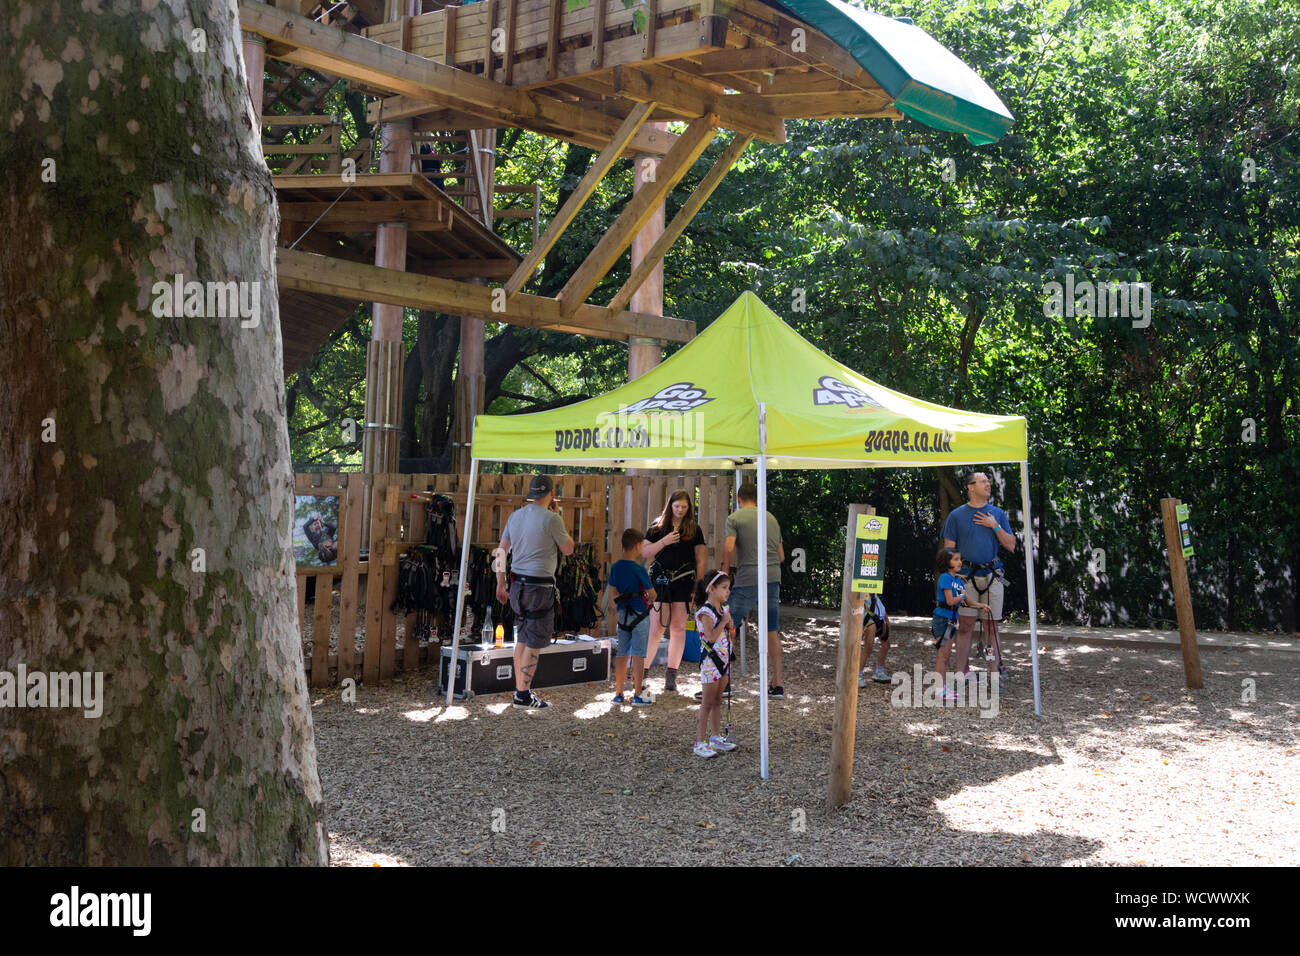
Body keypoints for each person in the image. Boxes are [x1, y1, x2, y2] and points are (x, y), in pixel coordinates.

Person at [494, 474, 574, 709]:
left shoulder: (515, 516)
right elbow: (568, 549)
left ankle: (520, 691)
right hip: (540, 587)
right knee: (534, 642)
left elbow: (501, 552)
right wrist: (557, 516)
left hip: (517, 585)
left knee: (523, 637)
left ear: (531, 494)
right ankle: (522, 694)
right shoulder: (552, 519)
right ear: (551, 494)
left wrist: (500, 583)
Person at [941, 471, 1016, 679]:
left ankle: (993, 674)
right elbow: (949, 551)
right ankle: (960, 674)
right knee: (965, 626)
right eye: (983, 481)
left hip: (993, 576)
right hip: (966, 578)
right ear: (971, 488)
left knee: (991, 626)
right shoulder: (956, 516)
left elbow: (1011, 545)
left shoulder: (997, 514)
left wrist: (995, 526)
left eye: (988, 481)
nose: (988, 484)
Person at [723, 482, 786, 700]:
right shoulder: (771, 518)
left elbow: (729, 548)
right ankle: (777, 685)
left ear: (738, 500)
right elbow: (781, 556)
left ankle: (723, 683)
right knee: (771, 630)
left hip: (748, 577)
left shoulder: (735, 518)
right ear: (758, 499)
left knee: (726, 624)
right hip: (773, 576)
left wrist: (724, 573)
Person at [641, 490, 707, 693]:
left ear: (689, 509)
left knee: (678, 628)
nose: (680, 510)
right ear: (670, 506)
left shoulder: (694, 530)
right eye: (677, 506)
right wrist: (664, 541)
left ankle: (671, 676)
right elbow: (644, 552)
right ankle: (642, 673)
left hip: (684, 582)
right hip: (660, 581)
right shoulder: (657, 526)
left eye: (684, 507)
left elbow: (701, 559)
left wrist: (699, 587)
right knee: (656, 629)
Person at [606, 528, 656, 706]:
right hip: (640, 615)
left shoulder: (616, 567)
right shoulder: (639, 569)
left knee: (622, 653)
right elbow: (653, 594)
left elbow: (613, 592)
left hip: (622, 615)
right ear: (636, 546)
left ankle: (618, 693)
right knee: (638, 654)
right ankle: (637, 694)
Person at [933, 548, 989, 701]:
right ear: (947, 563)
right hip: (942, 618)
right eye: (956, 559)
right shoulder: (945, 578)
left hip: (952, 619)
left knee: (946, 655)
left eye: (960, 559)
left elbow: (967, 602)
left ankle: (942, 689)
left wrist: (981, 606)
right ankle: (939, 690)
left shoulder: (958, 581)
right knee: (943, 656)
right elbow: (951, 601)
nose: (960, 562)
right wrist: (963, 595)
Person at [693, 570, 737, 759]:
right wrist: (723, 623)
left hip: (724, 660)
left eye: (728, 588)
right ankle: (699, 741)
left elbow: (728, 633)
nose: (727, 592)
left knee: (718, 700)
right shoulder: (706, 612)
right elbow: (710, 637)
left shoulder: (722, 610)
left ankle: (715, 736)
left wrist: (729, 625)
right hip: (711, 662)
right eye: (724, 588)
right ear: (711, 589)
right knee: (707, 702)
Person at [858, 593, 892, 687]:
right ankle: (858, 676)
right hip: (869, 620)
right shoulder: (861, 587)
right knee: (868, 648)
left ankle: (879, 672)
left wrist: (887, 619)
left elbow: (879, 603)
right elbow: (858, 605)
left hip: (880, 619)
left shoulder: (874, 587)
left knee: (886, 645)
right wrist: (860, 626)